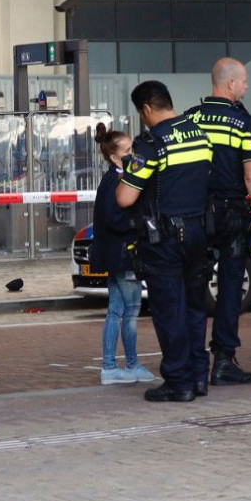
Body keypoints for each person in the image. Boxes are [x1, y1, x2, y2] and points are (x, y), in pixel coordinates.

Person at [116, 80, 213, 402]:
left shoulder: (151, 143)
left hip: (165, 239)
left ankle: (178, 381)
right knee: (195, 308)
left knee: (170, 311)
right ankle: (198, 377)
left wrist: (125, 175)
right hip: (199, 232)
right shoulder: (199, 133)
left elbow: (126, 197)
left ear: (146, 108)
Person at [186, 58, 251, 388]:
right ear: (230, 84)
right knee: (229, 288)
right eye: (244, 81)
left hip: (195, 214)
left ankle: (192, 360)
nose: (247, 86)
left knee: (193, 285)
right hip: (231, 214)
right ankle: (223, 361)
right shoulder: (241, 122)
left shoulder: (191, 118)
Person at [90, 123, 155, 385]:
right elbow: (115, 219)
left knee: (116, 311)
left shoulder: (111, 179)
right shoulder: (117, 181)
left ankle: (110, 366)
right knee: (130, 311)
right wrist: (139, 223)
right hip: (124, 255)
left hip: (115, 255)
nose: (133, 154)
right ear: (115, 157)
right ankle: (130, 364)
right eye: (128, 151)